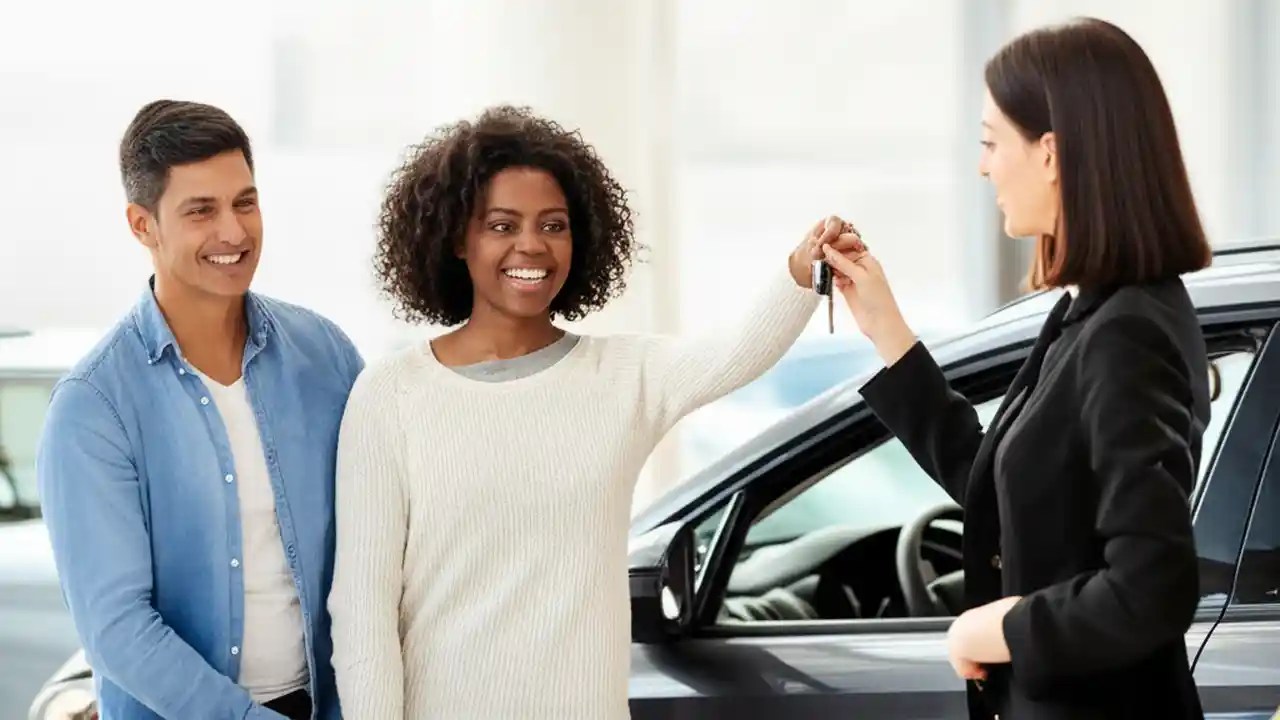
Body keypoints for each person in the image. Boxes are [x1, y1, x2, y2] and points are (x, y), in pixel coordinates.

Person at [327, 105, 862, 719]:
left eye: (553, 225)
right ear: (456, 236)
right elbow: (363, 616)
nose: (532, 246)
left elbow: (735, 352)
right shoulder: (390, 395)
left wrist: (801, 272)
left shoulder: (623, 379)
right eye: (502, 225)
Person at [819, 17, 1211, 720]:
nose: (982, 166)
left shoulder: (1126, 334)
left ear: (1052, 152)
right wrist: (886, 328)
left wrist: (999, 628)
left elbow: (1152, 586)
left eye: (992, 143)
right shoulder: (1093, 315)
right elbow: (997, 485)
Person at [37, 100, 362, 720]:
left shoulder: (326, 356)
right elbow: (118, 629)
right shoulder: (94, 407)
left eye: (245, 201)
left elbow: (378, 551)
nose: (234, 233)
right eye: (201, 211)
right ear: (142, 225)